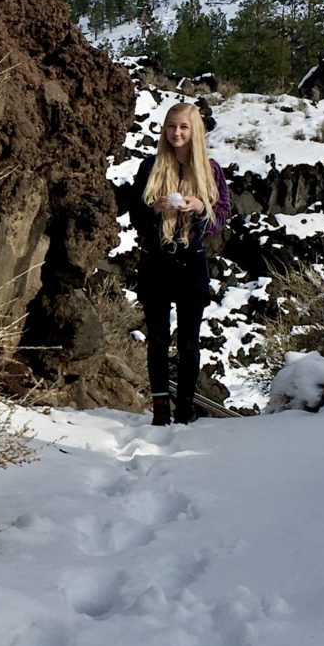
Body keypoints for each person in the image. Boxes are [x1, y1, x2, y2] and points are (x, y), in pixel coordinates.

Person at [126, 102, 230, 426]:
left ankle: (184, 411)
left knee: (188, 341)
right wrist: (155, 210)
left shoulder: (210, 170)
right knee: (156, 338)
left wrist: (201, 208)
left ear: (194, 130)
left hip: (191, 260)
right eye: (171, 126)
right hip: (155, 261)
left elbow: (223, 215)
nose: (176, 133)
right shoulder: (150, 167)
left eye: (183, 127)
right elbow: (135, 216)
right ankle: (160, 412)